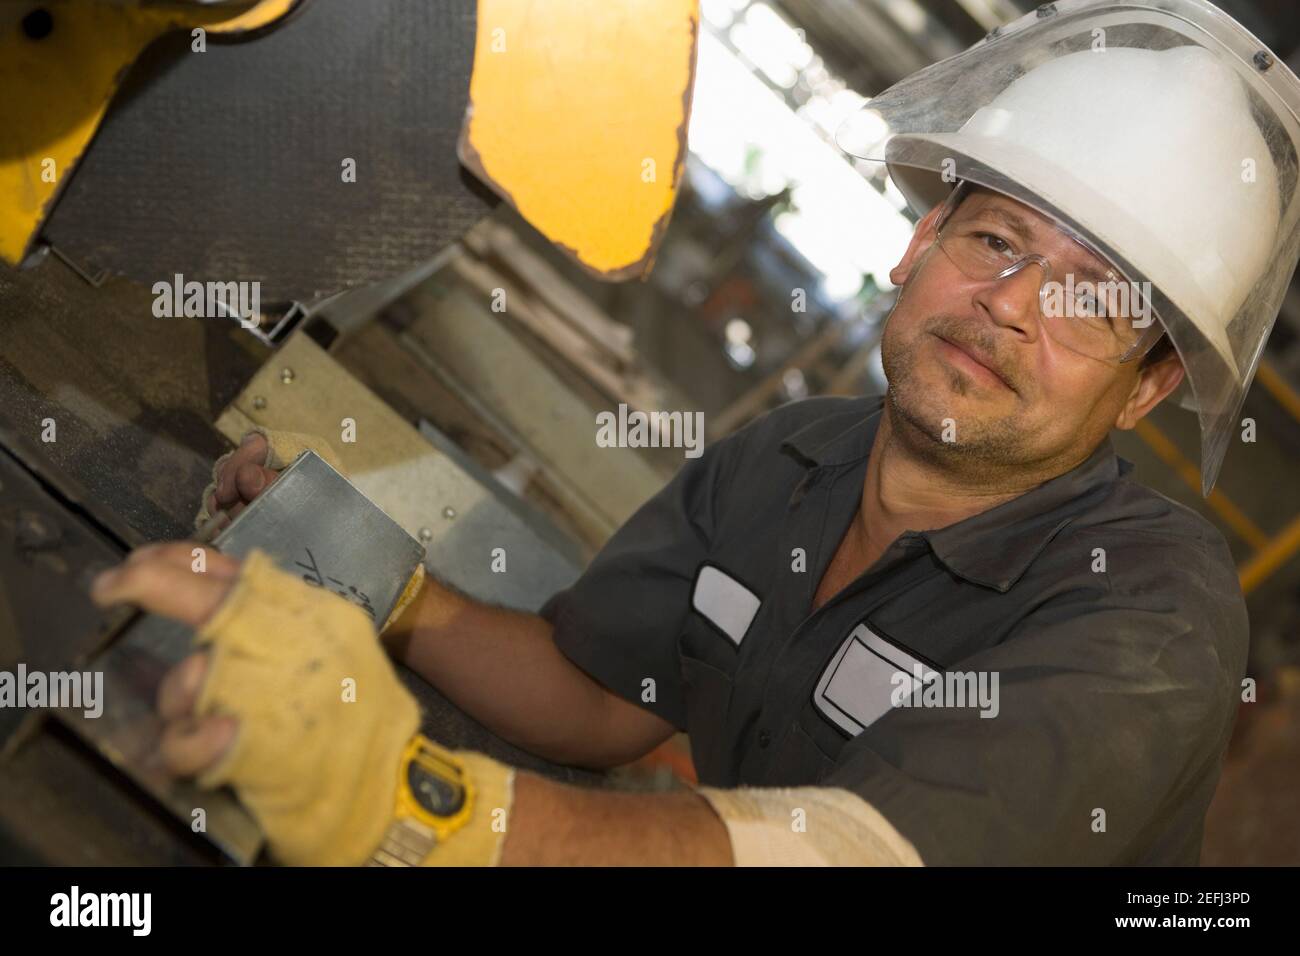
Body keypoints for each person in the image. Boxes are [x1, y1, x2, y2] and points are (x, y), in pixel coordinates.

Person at [90, 0, 1300, 865]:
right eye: (995, 242)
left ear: (1141, 392)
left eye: (1092, 300)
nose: (1013, 307)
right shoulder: (787, 462)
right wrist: (356, 576)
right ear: (916, 249)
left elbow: (857, 851)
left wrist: (416, 804)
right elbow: (600, 694)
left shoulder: (1149, 607)